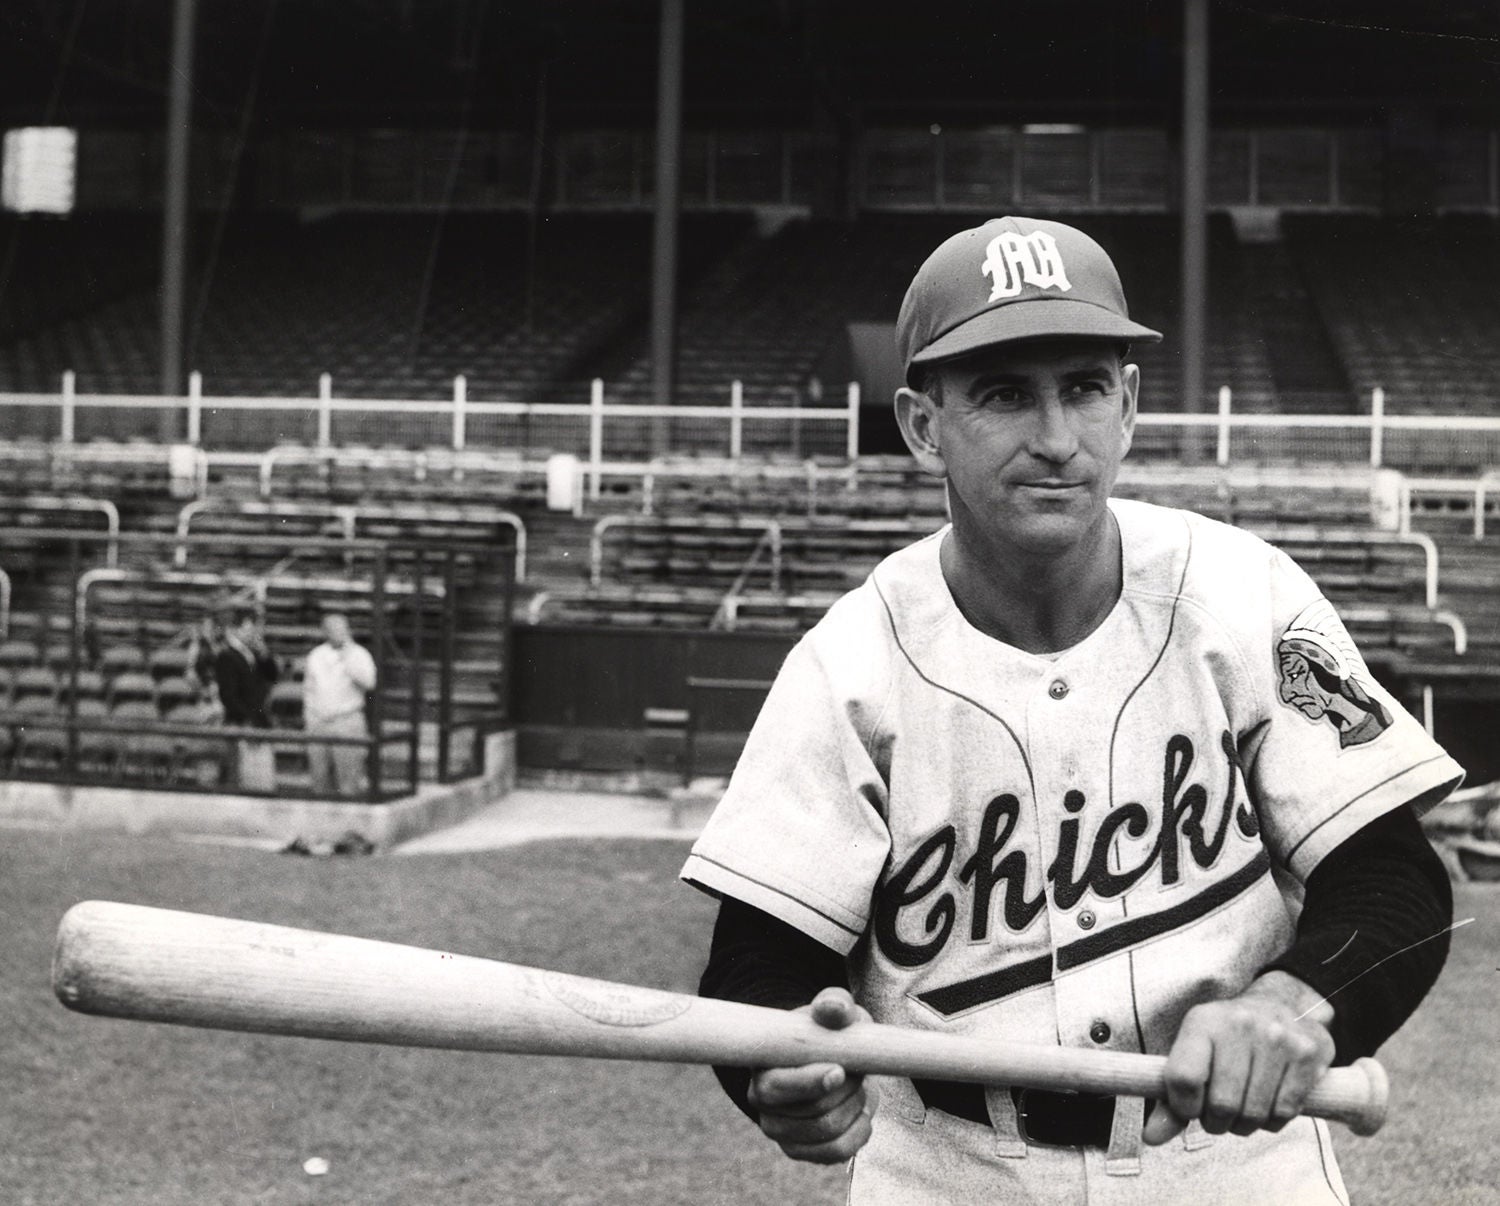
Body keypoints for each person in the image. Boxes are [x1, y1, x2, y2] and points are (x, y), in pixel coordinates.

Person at [680, 216, 1463, 1204]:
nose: (1056, 441)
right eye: (1005, 394)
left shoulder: (1243, 593)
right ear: (922, 424)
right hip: (953, 1171)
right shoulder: (849, 664)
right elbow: (759, 962)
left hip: (1229, 1168)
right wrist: (776, 1073)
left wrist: (1294, 1002)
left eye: (1084, 388)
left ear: (1127, 406)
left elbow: (1392, 876)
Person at [301, 611, 376, 796]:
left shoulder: (359, 654)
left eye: (342, 629)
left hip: (346, 721)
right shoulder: (316, 655)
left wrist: (347, 659)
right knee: (318, 778)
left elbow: (369, 682)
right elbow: (308, 689)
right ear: (325, 632)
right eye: (333, 629)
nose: (338, 633)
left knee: (349, 781)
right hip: (318, 721)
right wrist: (310, 716)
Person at [213, 608, 279, 791]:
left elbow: (273, 675)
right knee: (242, 777)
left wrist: (264, 653)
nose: (253, 633)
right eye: (249, 629)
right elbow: (228, 697)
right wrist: (248, 722)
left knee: (261, 780)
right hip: (242, 723)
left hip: (258, 721)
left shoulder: (254, 654)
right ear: (235, 630)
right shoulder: (226, 656)